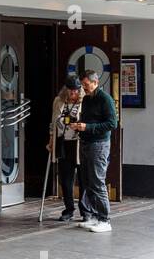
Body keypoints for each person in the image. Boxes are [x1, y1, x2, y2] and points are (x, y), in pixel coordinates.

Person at [70, 69, 117, 233]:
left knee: (97, 181)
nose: (84, 88)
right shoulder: (87, 99)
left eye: (86, 84)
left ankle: (105, 219)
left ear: (96, 82)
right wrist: (78, 125)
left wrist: (88, 127)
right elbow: (87, 119)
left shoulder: (105, 99)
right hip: (85, 142)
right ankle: (94, 217)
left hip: (99, 144)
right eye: (82, 85)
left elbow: (112, 123)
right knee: (87, 181)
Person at [48, 77, 84, 221]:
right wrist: (51, 138)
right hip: (63, 143)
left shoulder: (85, 100)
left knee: (83, 179)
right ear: (66, 89)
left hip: (79, 144)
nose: (73, 93)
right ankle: (69, 209)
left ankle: (85, 210)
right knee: (66, 179)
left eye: (76, 90)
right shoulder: (58, 101)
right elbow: (53, 122)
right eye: (70, 90)